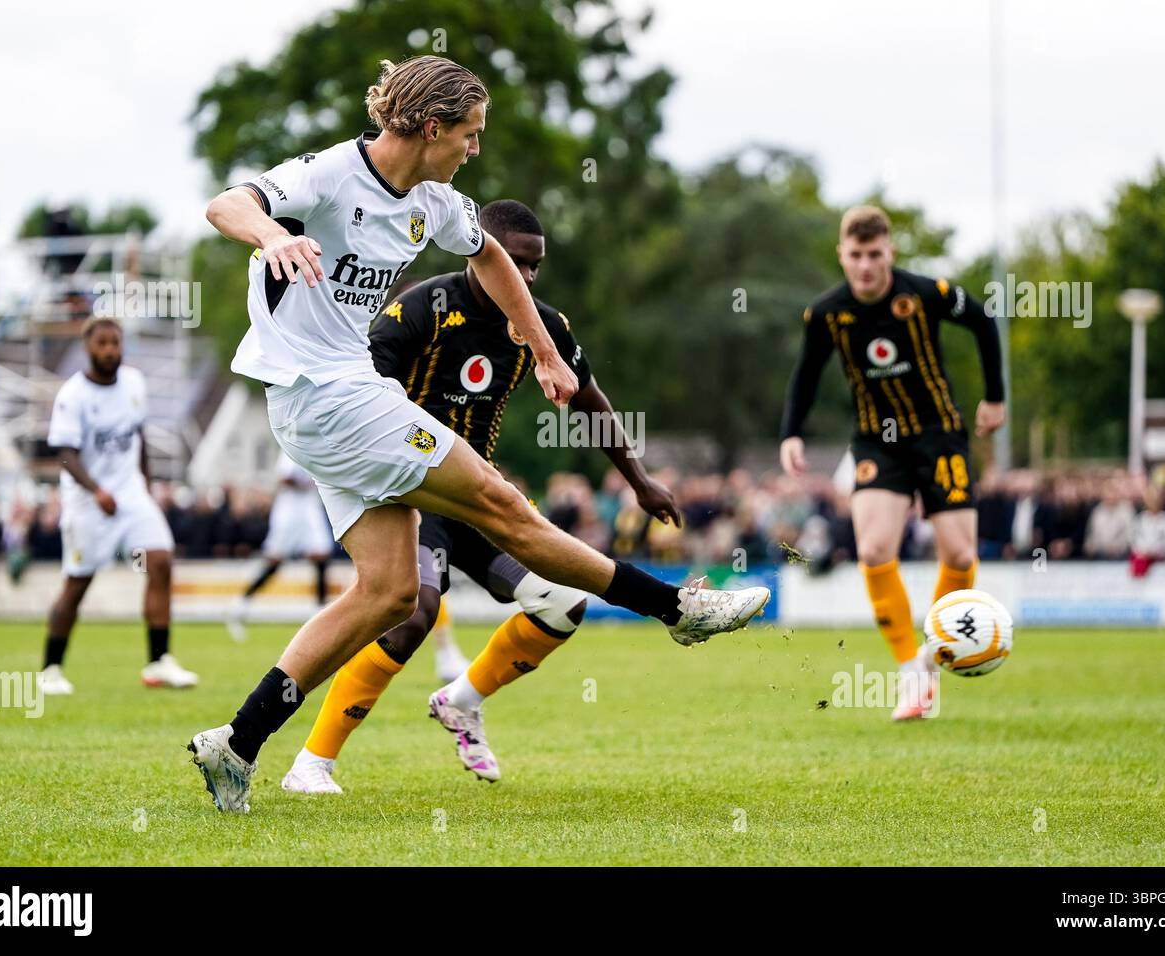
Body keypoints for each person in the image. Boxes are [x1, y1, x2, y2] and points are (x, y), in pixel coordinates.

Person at [192, 55, 768, 813]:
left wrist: (546, 350)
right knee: (501, 505)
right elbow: (225, 203)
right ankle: (677, 609)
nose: (475, 148)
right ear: (431, 128)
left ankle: (236, 743)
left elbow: (491, 255)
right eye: (469, 133)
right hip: (326, 396)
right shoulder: (331, 175)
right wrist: (271, 234)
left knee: (391, 593)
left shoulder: (433, 202)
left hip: (332, 402)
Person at [282, 199, 683, 793]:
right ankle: (312, 762)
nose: (524, 276)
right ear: (480, 253)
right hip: (412, 485)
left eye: (535, 266)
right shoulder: (423, 307)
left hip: (477, 494)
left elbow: (589, 398)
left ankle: (462, 700)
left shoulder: (542, 324)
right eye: (514, 262)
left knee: (562, 604)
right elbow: (361, 380)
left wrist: (639, 480)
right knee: (411, 610)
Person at [779, 205, 1004, 720]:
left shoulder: (927, 293)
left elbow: (984, 319)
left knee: (961, 553)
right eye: (855, 255)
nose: (864, 266)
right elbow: (806, 375)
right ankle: (911, 672)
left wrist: (994, 396)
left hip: (940, 435)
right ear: (842, 254)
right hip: (876, 443)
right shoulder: (826, 313)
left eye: (874, 255)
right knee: (876, 547)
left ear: (890, 252)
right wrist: (791, 432)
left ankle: (932, 652)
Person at [38, 317, 198, 695]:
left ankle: (159, 662)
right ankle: (50, 669)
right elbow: (64, 454)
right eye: (102, 343)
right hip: (88, 502)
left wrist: (145, 483)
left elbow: (138, 437)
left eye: (116, 342)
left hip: (130, 496)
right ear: (88, 348)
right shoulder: (73, 395)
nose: (110, 349)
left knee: (159, 562)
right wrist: (97, 491)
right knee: (78, 583)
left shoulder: (134, 383)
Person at [225, 450, 334, 642]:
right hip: (290, 510)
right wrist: (312, 481)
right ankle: (240, 606)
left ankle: (320, 616)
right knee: (274, 562)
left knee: (321, 554)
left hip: (309, 506)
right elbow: (285, 478)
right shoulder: (293, 445)